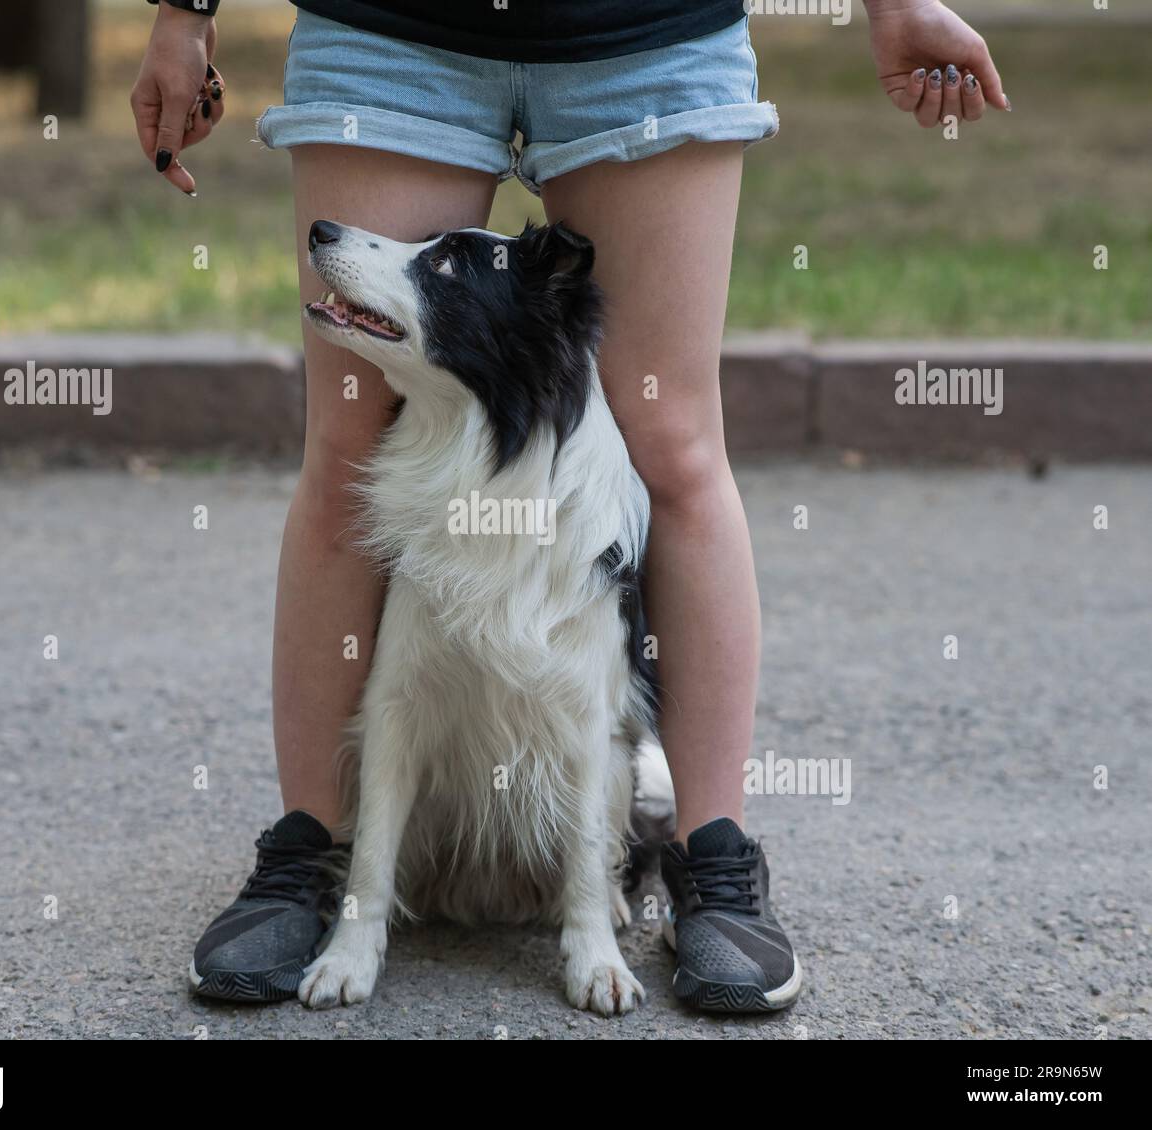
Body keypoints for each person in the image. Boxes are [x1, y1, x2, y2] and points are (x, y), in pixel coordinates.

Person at [131, 0, 1007, 1012]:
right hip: (388, 28)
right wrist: (183, 13)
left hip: (644, 27)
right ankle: (311, 856)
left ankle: (709, 862)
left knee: (673, 448)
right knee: (348, 444)